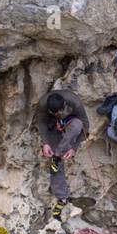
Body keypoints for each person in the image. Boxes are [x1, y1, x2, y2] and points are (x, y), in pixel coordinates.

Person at [36, 89, 89, 218]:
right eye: (54, 112)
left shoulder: (74, 102)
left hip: (71, 123)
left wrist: (74, 148)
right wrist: (46, 143)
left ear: (64, 104)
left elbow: (85, 124)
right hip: (53, 126)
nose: (58, 113)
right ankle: (62, 197)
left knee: (77, 126)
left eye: (59, 111)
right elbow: (41, 122)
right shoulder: (43, 104)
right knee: (55, 162)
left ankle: (57, 155)